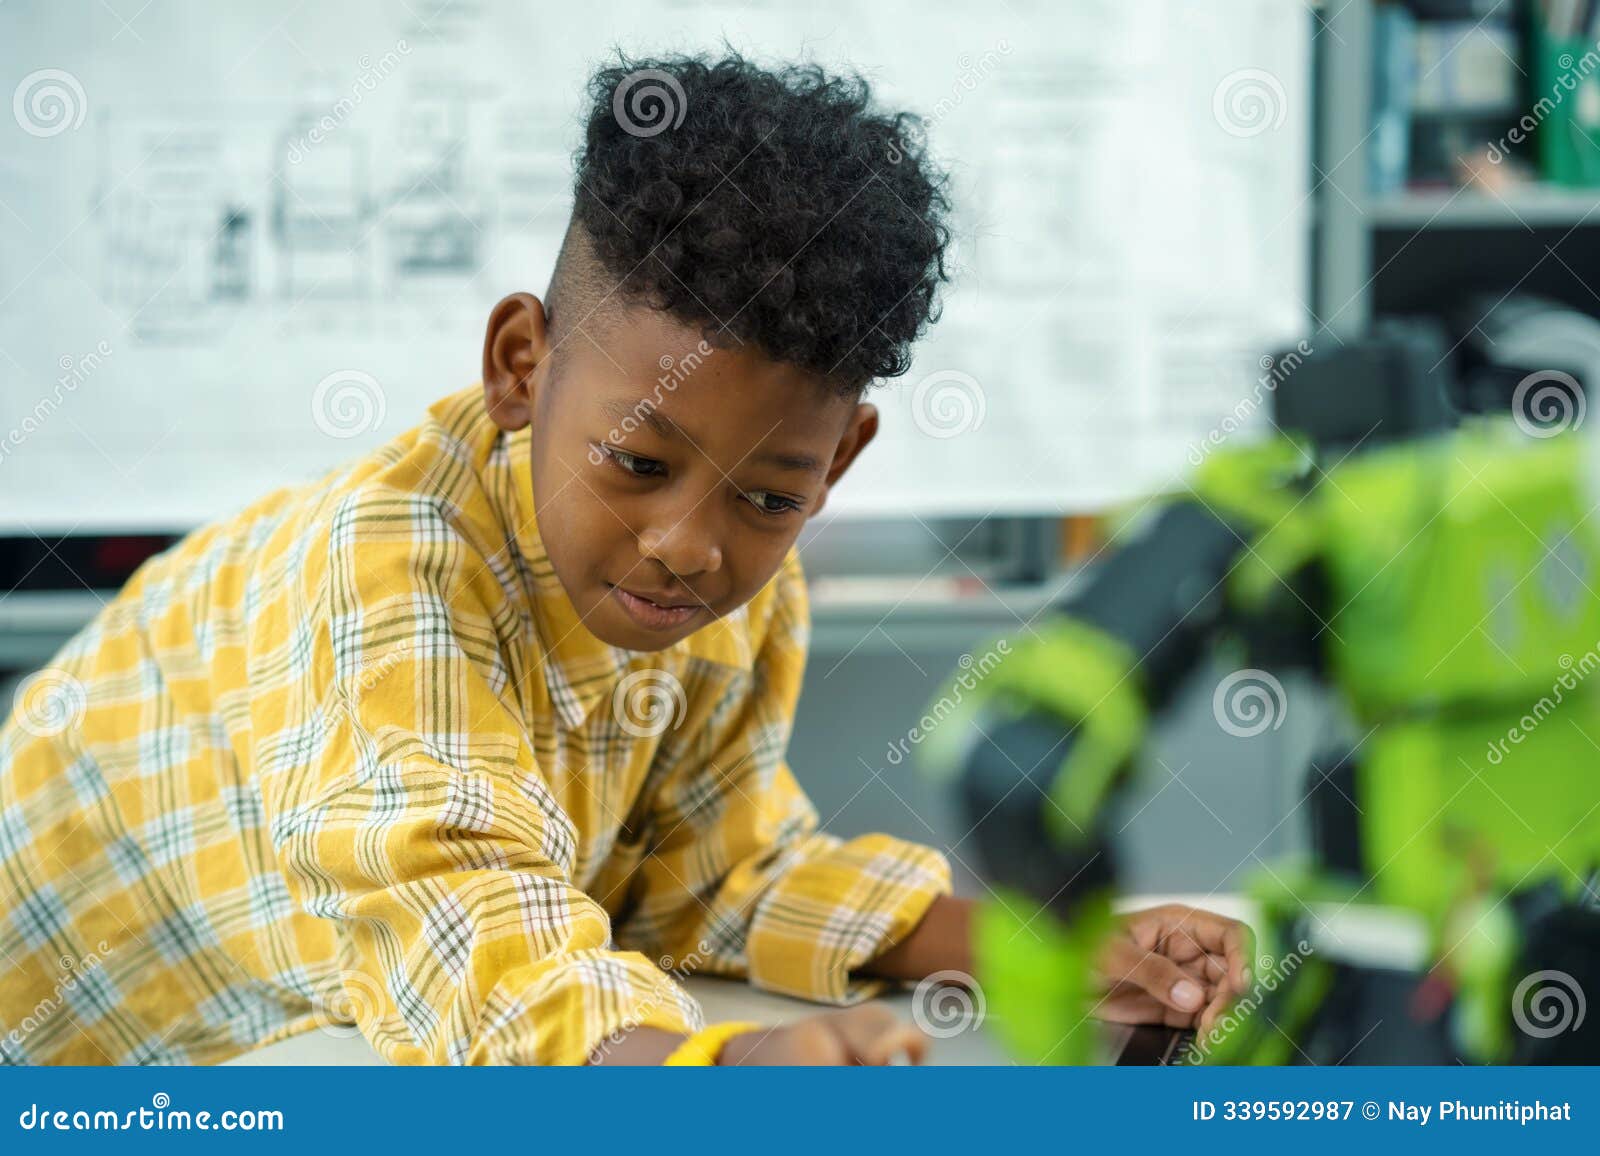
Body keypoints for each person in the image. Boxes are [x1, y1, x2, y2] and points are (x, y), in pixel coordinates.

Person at [0, 51, 1249, 1066]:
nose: (691, 546)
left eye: (770, 493)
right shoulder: (391, 567)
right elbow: (458, 913)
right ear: (520, 367)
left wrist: (1038, 946)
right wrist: (701, 1077)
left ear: (841, 460)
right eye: (638, 465)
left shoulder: (738, 596)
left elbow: (709, 869)